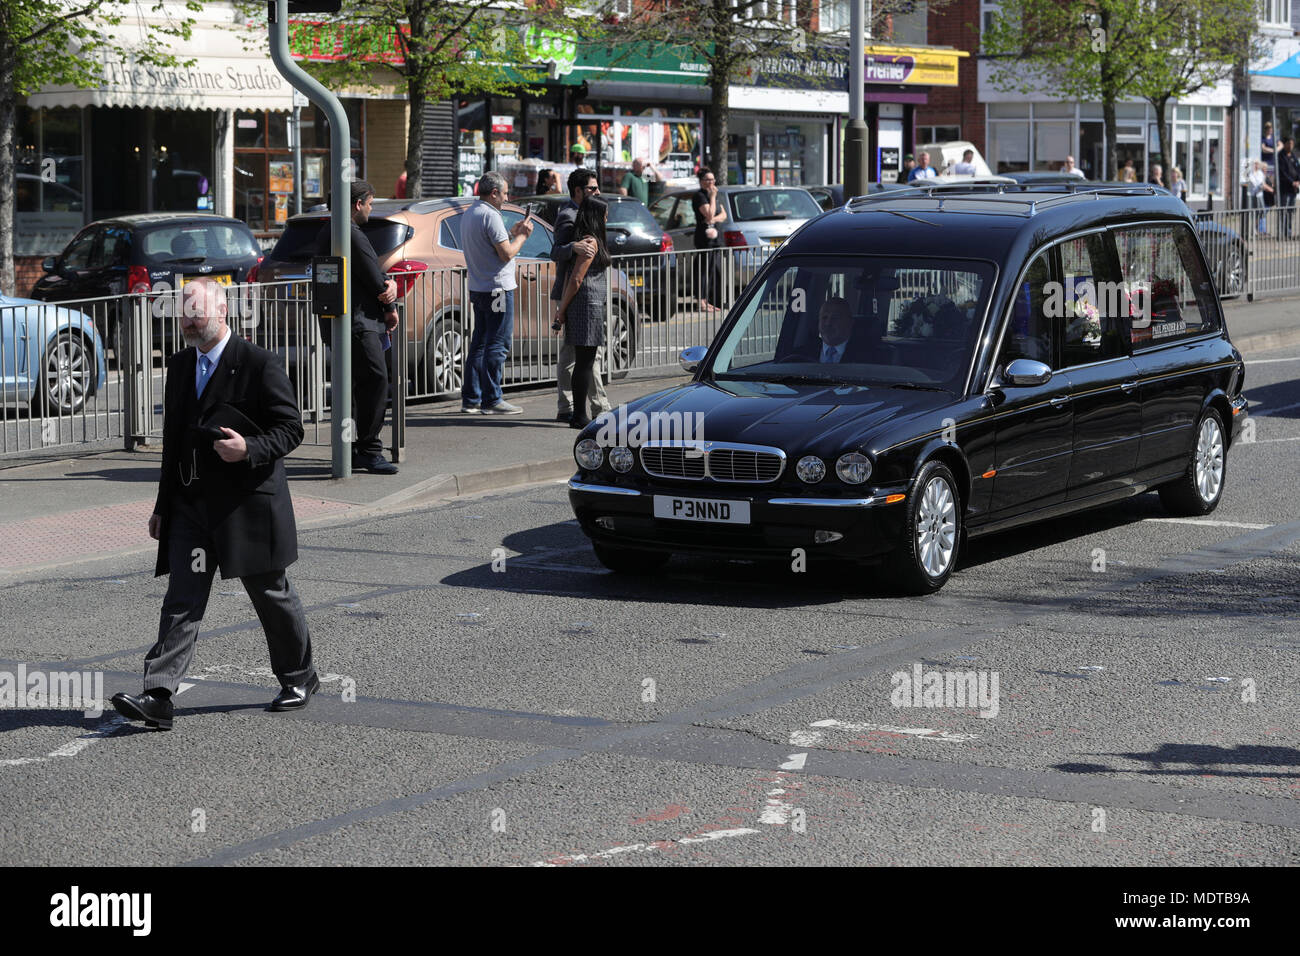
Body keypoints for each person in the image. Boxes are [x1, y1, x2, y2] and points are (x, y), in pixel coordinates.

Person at [110, 279, 318, 730]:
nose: (185, 320)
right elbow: (171, 444)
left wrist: (250, 448)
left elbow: (291, 429)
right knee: (182, 599)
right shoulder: (182, 365)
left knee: (270, 593)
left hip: (246, 505)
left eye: (194, 311)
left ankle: (299, 676)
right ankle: (159, 696)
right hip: (191, 507)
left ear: (223, 311)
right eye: (182, 312)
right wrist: (163, 506)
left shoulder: (259, 363)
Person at [316, 180, 399, 474]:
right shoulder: (350, 232)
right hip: (359, 322)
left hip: (342, 322)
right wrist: (390, 303)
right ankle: (368, 449)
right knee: (375, 381)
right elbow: (372, 274)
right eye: (371, 204)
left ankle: (352, 447)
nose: (371, 209)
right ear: (357, 203)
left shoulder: (329, 229)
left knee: (353, 387)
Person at [460, 170, 533, 414]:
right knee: (497, 344)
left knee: (480, 342)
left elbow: (493, 246)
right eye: (504, 193)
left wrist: (511, 233)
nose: (506, 197)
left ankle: (471, 398)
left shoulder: (471, 212)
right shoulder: (490, 215)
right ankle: (492, 399)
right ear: (493, 193)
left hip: (479, 286)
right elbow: (506, 253)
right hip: (497, 288)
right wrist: (521, 236)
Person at [553, 168, 611, 422]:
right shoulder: (569, 215)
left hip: (578, 295)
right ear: (577, 190)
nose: (597, 192)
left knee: (580, 357)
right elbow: (557, 253)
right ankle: (593, 409)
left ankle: (572, 409)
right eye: (592, 188)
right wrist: (571, 247)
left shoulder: (589, 219)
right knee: (583, 359)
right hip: (576, 295)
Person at [692, 166, 728, 312]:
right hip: (704, 239)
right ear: (701, 181)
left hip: (716, 239)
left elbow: (723, 214)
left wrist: (713, 218)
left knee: (715, 270)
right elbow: (708, 214)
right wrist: (712, 198)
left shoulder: (714, 194)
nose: (711, 182)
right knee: (703, 270)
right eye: (708, 180)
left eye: (713, 179)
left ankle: (712, 300)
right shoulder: (700, 196)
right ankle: (701, 301)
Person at [1278, 138, 1300, 238]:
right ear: (1285, 144)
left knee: (1291, 211)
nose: (1290, 146)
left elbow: (1298, 169)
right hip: (1285, 188)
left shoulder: (1294, 156)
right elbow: (1282, 172)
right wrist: (1292, 182)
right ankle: (1282, 232)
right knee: (1283, 211)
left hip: (1293, 189)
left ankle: (1289, 232)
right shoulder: (1281, 156)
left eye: (1292, 144)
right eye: (1288, 143)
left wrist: (1298, 181)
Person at [1248, 160, 1272, 236]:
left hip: (1259, 195)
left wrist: (1261, 186)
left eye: (1257, 164)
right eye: (1255, 164)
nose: (1256, 165)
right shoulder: (1251, 173)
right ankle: (1253, 230)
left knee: (1260, 213)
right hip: (1253, 195)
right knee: (1254, 213)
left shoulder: (1260, 173)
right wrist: (1261, 186)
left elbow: (1261, 184)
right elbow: (1256, 184)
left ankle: (1256, 229)